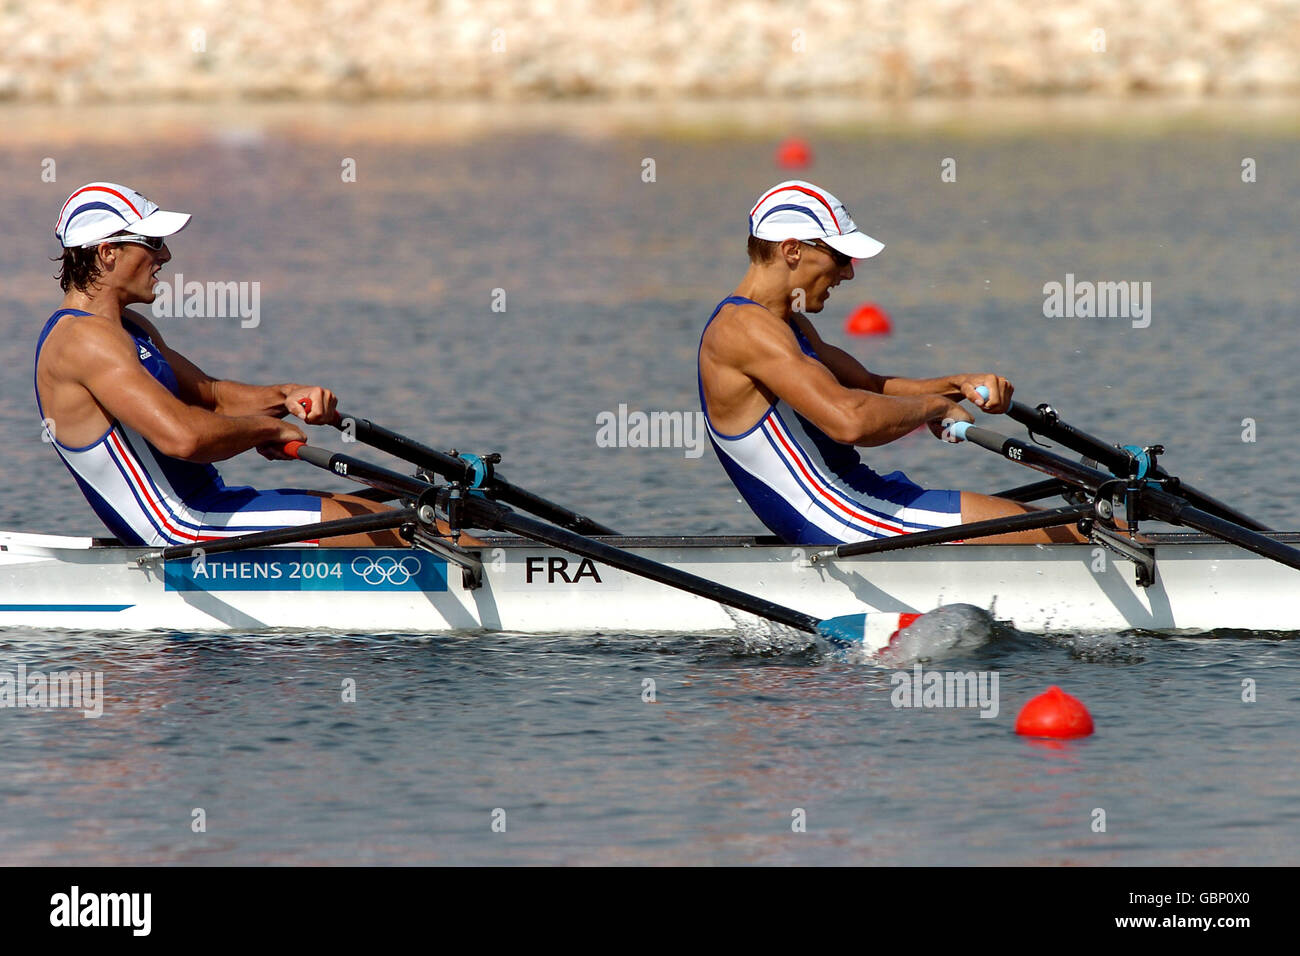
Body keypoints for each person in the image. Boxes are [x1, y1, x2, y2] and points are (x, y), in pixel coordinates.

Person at [697, 179, 1084, 545]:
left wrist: (960, 385)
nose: (848, 272)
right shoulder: (744, 329)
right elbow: (850, 421)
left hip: (862, 500)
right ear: (792, 250)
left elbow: (869, 386)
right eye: (840, 256)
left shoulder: (786, 322)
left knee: (1086, 522)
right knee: (1085, 531)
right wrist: (935, 406)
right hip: (844, 518)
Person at [38, 181, 401, 548]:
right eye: (154, 243)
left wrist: (287, 396)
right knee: (404, 530)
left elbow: (212, 396)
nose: (165, 256)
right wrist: (266, 431)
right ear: (107, 253)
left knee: (380, 513)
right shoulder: (84, 340)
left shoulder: (130, 328)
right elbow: (184, 439)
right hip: (181, 527)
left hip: (209, 506)